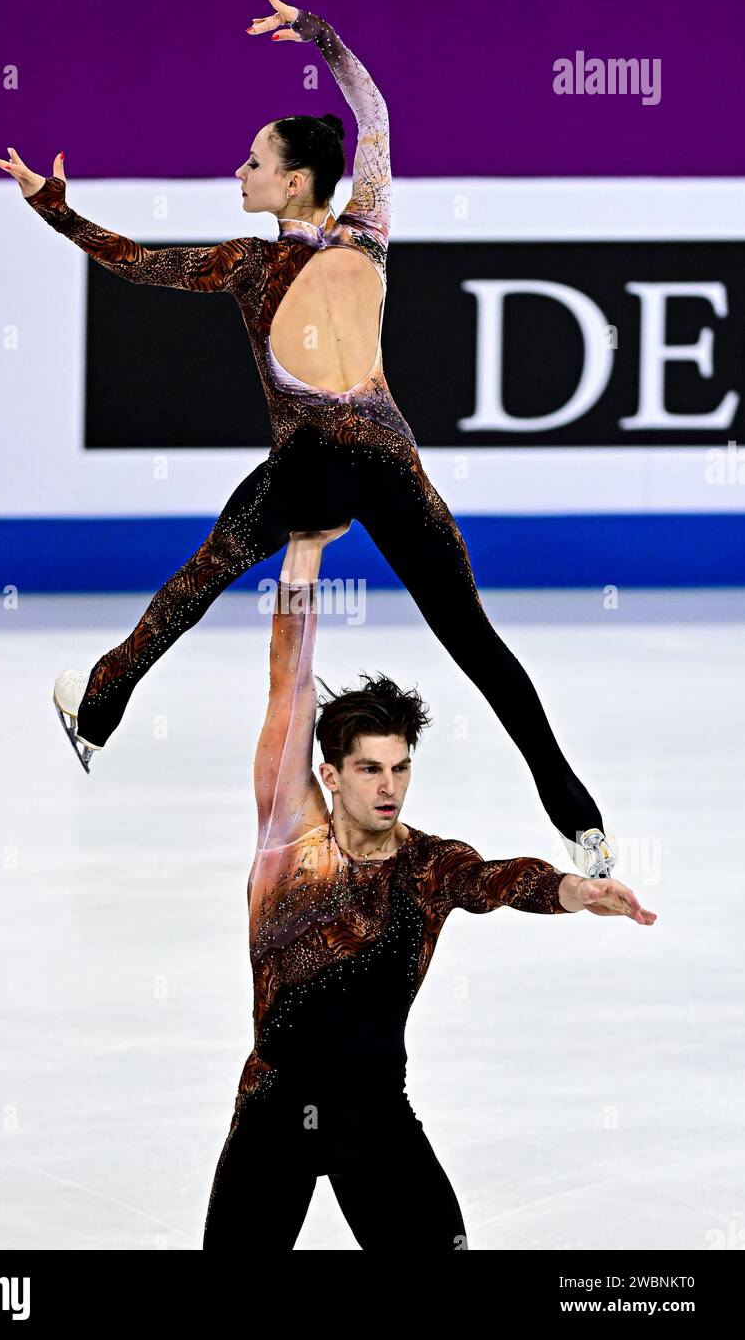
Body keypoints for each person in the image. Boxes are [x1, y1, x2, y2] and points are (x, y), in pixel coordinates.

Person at [0, 0, 615, 874]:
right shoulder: (369, 230)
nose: (237, 172)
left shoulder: (249, 264)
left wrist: (54, 208)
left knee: (202, 575)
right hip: (393, 463)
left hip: (313, 465)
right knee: (474, 637)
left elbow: (132, 262)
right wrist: (316, 32)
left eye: (252, 162)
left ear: (292, 180)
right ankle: (580, 821)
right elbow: (377, 113)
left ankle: (97, 705)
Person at [201, 523, 655, 1250]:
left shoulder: (428, 865)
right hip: (272, 1115)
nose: (390, 787)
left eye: (401, 767)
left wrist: (575, 889)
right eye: (371, 769)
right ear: (330, 775)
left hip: (375, 1116)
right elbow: (289, 675)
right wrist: (307, 550)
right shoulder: (290, 836)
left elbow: (500, 880)